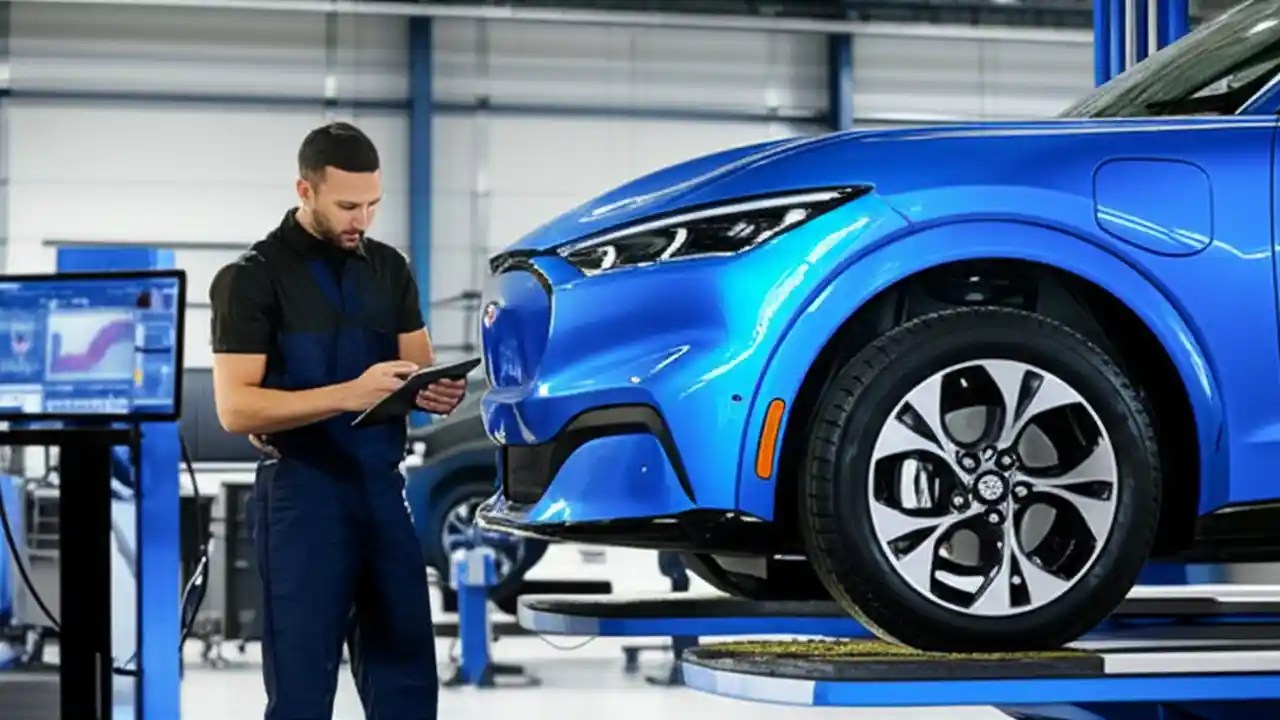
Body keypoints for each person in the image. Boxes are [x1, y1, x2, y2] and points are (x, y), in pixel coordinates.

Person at [207, 121, 464, 720]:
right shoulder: (251, 279)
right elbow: (235, 407)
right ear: (305, 191)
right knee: (302, 695)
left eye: (373, 205)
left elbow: (414, 368)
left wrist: (434, 391)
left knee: (407, 688)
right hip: (303, 497)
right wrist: (348, 393)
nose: (362, 219)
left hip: (381, 490)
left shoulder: (389, 270)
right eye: (348, 205)